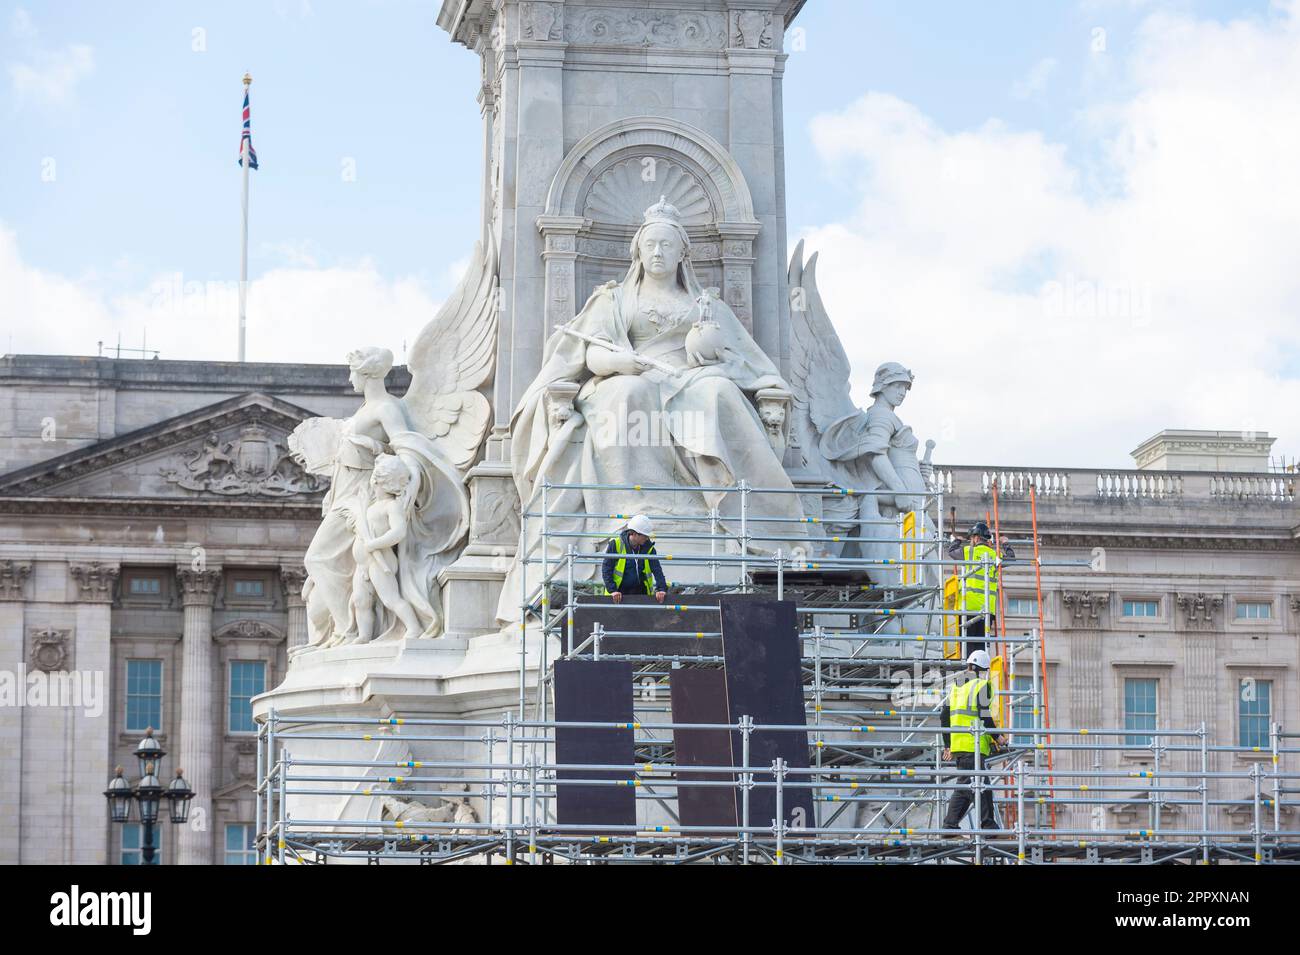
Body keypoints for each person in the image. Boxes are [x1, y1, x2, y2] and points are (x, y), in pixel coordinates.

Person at [940, 650, 1008, 834]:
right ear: (984, 669)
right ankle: (987, 825)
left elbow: (944, 716)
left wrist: (948, 744)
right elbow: (983, 713)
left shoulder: (956, 687)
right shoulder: (982, 685)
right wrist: (998, 737)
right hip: (973, 745)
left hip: (960, 745)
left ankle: (950, 826)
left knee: (966, 787)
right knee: (981, 786)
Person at [947, 520, 1014, 655]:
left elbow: (952, 551)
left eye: (971, 538)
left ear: (976, 538)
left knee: (966, 648)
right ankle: (979, 671)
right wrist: (1005, 543)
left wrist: (957, 540)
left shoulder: (968, 551)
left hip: (968, 607)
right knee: (981, 648)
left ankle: (969, 669)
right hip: (986, 610)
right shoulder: (995, 555)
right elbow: (1011, 559)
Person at [601, 514, 667, 604]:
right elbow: (606, 569)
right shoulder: (615, 544)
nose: (647, 538)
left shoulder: (649, 548)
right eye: (645, 535)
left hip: (641, 592)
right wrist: (612, 590)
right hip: (619, 593)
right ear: (634, 534)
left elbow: (657, 570)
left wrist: (661, 589)